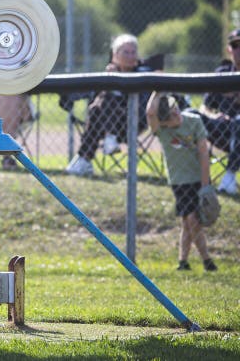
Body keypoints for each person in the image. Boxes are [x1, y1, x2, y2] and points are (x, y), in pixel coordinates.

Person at [146, 92, 217, 272]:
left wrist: (205, 186)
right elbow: (150, 113)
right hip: (180, 182)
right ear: (163, 123)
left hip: (199, 178)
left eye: (176, 110)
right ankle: (207, 260)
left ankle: (183, 262)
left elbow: (203, 154)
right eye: (170, 116)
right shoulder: (162, 131)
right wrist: (156, 92)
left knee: (188, 222)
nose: (176, 115)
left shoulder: (194, 121)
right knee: (192, 220)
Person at [65, 34, 151, 176]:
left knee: (99, 107)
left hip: (132, 123)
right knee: (100, 105)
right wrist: (110, 79)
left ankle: (84, 159)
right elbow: (90, 94)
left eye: (133, 52)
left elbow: (142, 106)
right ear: (115, 55)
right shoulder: (109, 73)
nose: (130, 56)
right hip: (104, 122)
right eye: (126, 52)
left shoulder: (144, 74)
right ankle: (108, 139)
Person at [186, 28, 240, 195]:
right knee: (191, 114)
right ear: (229, 49)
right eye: (235, 45)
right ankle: (192, 177)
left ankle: (229, 178)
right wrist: (215, 115)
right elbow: (205, 107)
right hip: (222, 129)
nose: (239, 50)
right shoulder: (222, 73)